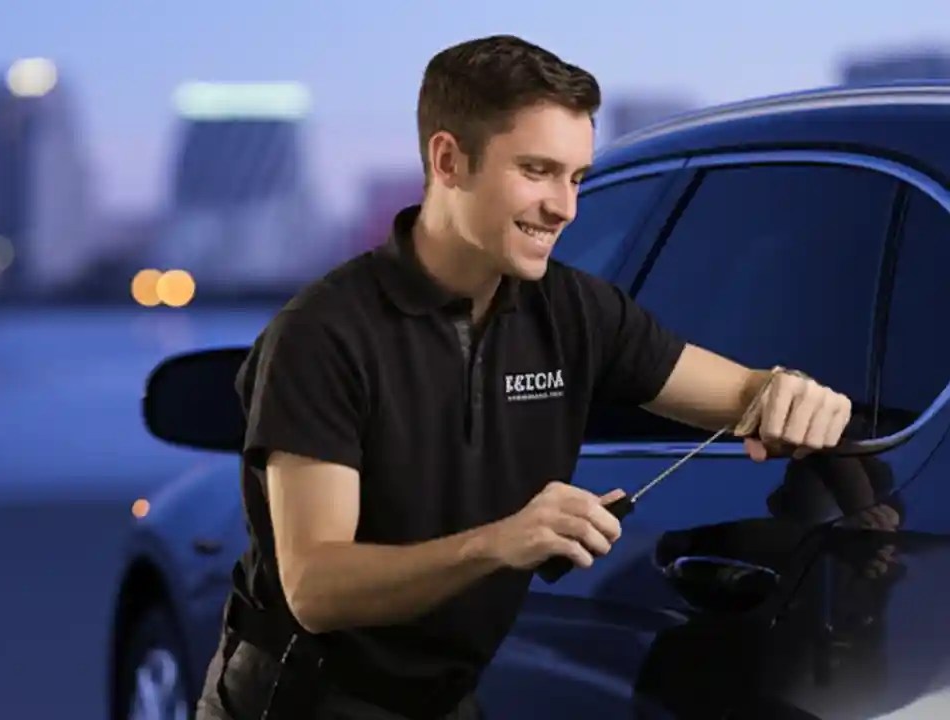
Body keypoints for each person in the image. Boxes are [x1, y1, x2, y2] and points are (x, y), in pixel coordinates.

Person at [194, 34, 854, 720]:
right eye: (537, 170)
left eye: (577, 177)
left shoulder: (577, 312)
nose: (565, 208)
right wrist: (501, 540)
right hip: (299, 703)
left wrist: (787, 394)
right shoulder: (324, 334)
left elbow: (745, 396)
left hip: (447, 700)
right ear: (449, 160)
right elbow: (316, 586)